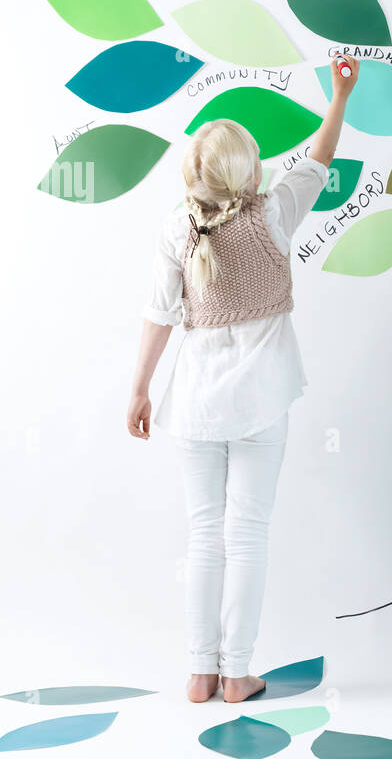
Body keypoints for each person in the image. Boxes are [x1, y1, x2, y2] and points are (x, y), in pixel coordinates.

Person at [126, 60, 358, 702]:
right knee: (247, 532)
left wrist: (140, 389)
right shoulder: (276, 210)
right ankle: (237, 674)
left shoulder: (179, 226)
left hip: (195, 405)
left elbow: (158, 315)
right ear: (250, 173)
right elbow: (320, 154)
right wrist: (339, 95)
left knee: (204, 532)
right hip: (262, 403)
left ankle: (200, 671)